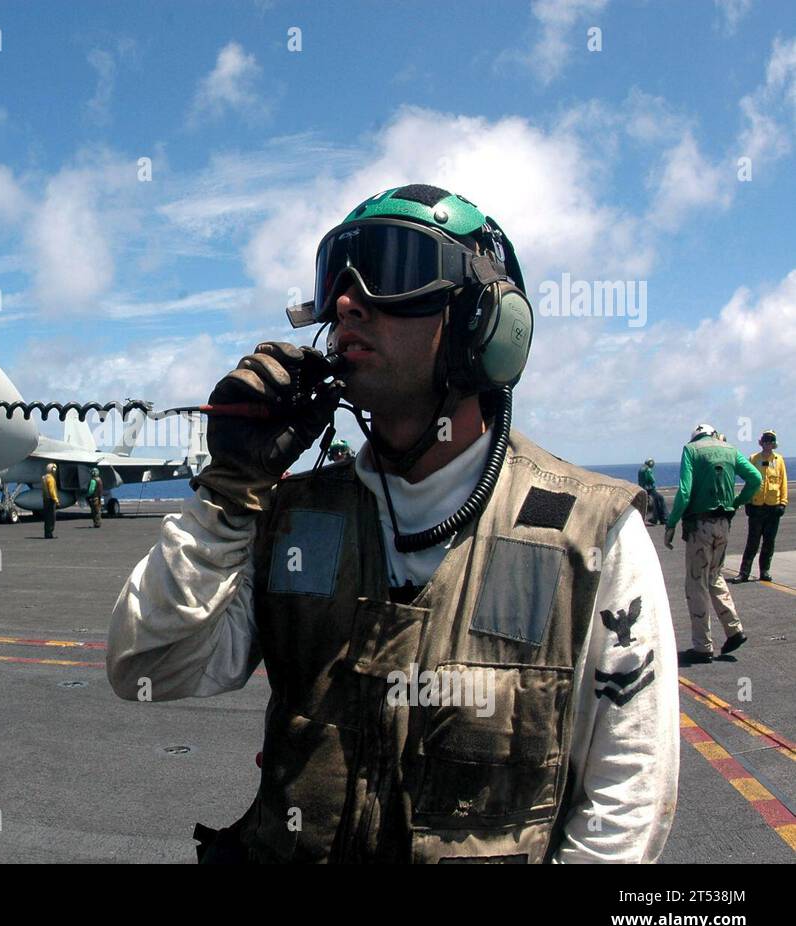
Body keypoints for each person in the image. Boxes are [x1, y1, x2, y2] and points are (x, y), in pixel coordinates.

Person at [108, 185, 678, 863]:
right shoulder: (292, 518)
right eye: (336, 278)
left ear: (482, 321)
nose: (348, 301)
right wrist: (229, 492)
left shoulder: (585, 534)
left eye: (394, 268)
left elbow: (624, 803)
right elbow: (148, 665)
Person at [664, 424, 761, 663]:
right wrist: (738, 501)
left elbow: (685, 491)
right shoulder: (729, 449)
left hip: (700, 525)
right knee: (715, 577)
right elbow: (755, 478)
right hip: (723, 524)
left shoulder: (691, 450)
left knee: (696, 583)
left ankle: (703, 646)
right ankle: (734, 629)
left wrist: (672, 523)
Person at [731, 430, 786, 583]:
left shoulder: (779, 460)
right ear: (761, 442)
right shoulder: (754, 459)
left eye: (771, 441)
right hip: (756, 506)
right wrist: (748, 501)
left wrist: (783, 502)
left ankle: (765, 571)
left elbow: (783, 483)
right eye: (766, 440)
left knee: (769, 542)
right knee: (752, 542)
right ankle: (744, 572)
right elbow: (750, 481)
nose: (768, 444)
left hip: (773, 506)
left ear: (774, 444)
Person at [639, 459, 667, 525]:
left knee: (655, 502)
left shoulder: (641, 469)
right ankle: (664, 518)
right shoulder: (648, 470)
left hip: (643, 488)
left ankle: (655, 518)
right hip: (649, 489)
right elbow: (652, 479)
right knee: (660, 499)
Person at [41, 463, 59, 539]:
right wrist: (56, 500)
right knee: (52, 518)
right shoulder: (51, 479)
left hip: (45, 500)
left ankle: (47, 533)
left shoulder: (44, 478)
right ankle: (50, 534)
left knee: (47, 518)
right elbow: (52, 491)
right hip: (51, 500)